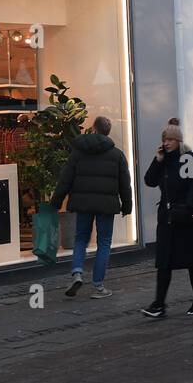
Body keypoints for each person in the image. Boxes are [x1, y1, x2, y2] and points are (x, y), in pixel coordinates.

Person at [52, 116, 133, 299]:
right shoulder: (117, 155)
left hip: (83, 204)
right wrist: (127, 206)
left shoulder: (78, 152)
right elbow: (124, 184)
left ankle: (77, 273)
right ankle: (98, 286)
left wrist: (56, 202)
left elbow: (65, 179)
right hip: (106, 205)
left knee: (81, 239)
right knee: (104, 242)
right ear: (107, 132)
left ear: (93, 129)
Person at [141, 119, 193, 318]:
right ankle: (159, 303)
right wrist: (157, 160)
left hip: (188, 218)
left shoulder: (190, 159)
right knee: (164, 262)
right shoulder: (164, 161)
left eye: (171, 139)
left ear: (179, 141)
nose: (167, 142)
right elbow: (149, 181)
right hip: (168, 219)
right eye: (165, 139)